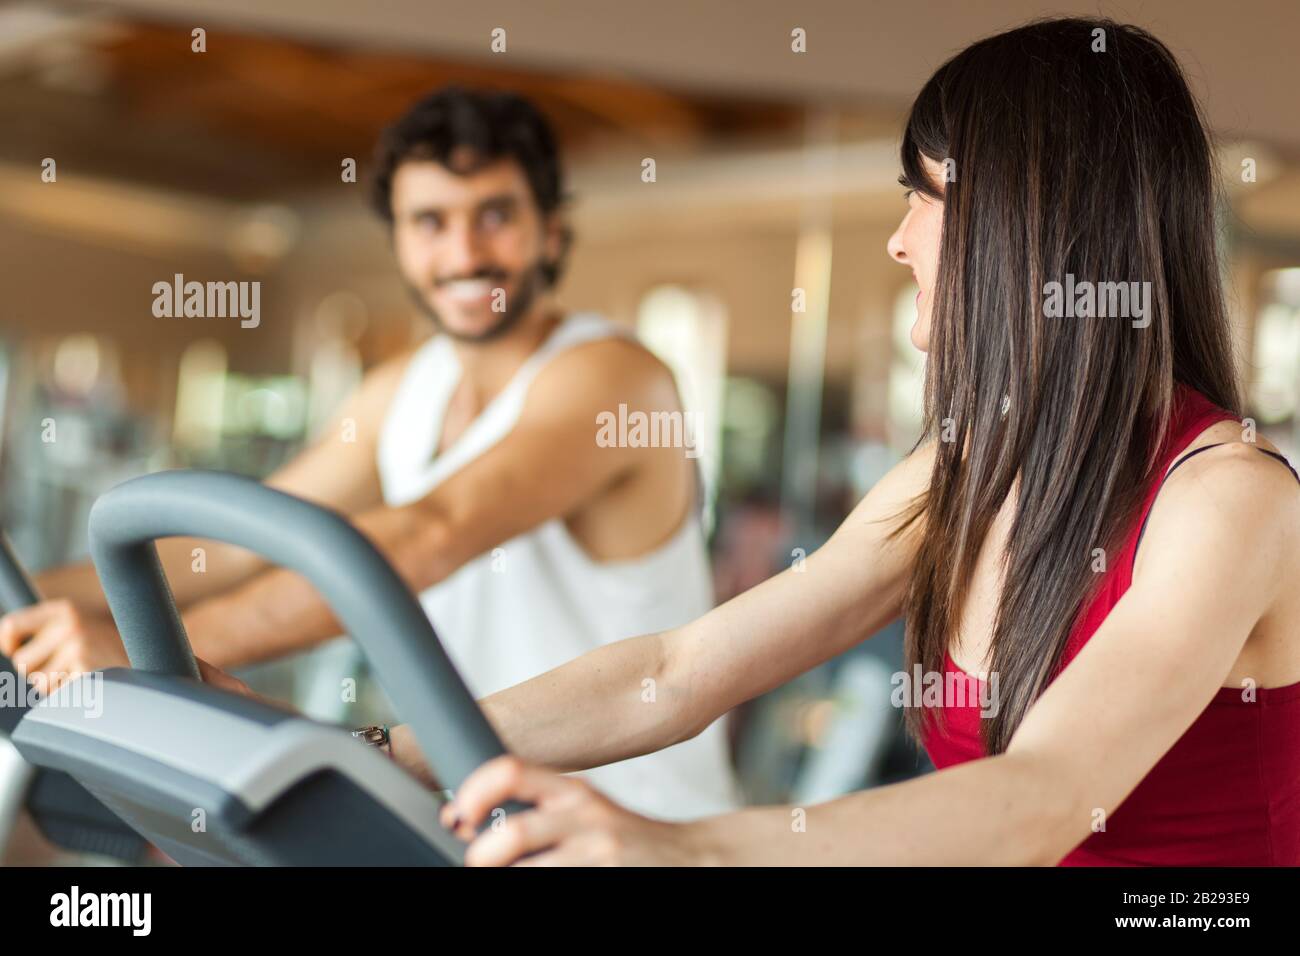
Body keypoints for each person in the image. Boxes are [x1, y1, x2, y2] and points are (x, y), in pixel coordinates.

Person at [380, 18, 1299, 865]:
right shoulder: (966, 468)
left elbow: (1045, 796)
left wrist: (678, 848)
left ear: (1025, 220)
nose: (900, 243)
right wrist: (387, 750)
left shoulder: (1228, 498)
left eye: (923, 196)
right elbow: (677, 671)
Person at [0, 87, 740, 822]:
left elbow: (429, 534)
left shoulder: (615, 377)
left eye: (496, 214)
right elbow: (224, 552)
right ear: (400, 242)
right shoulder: (405, 391)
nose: (464, 252)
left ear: (550, 231)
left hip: (640, 827)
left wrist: (151, 653)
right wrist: (23, 597)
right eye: (431, 221)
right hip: (500, 818)